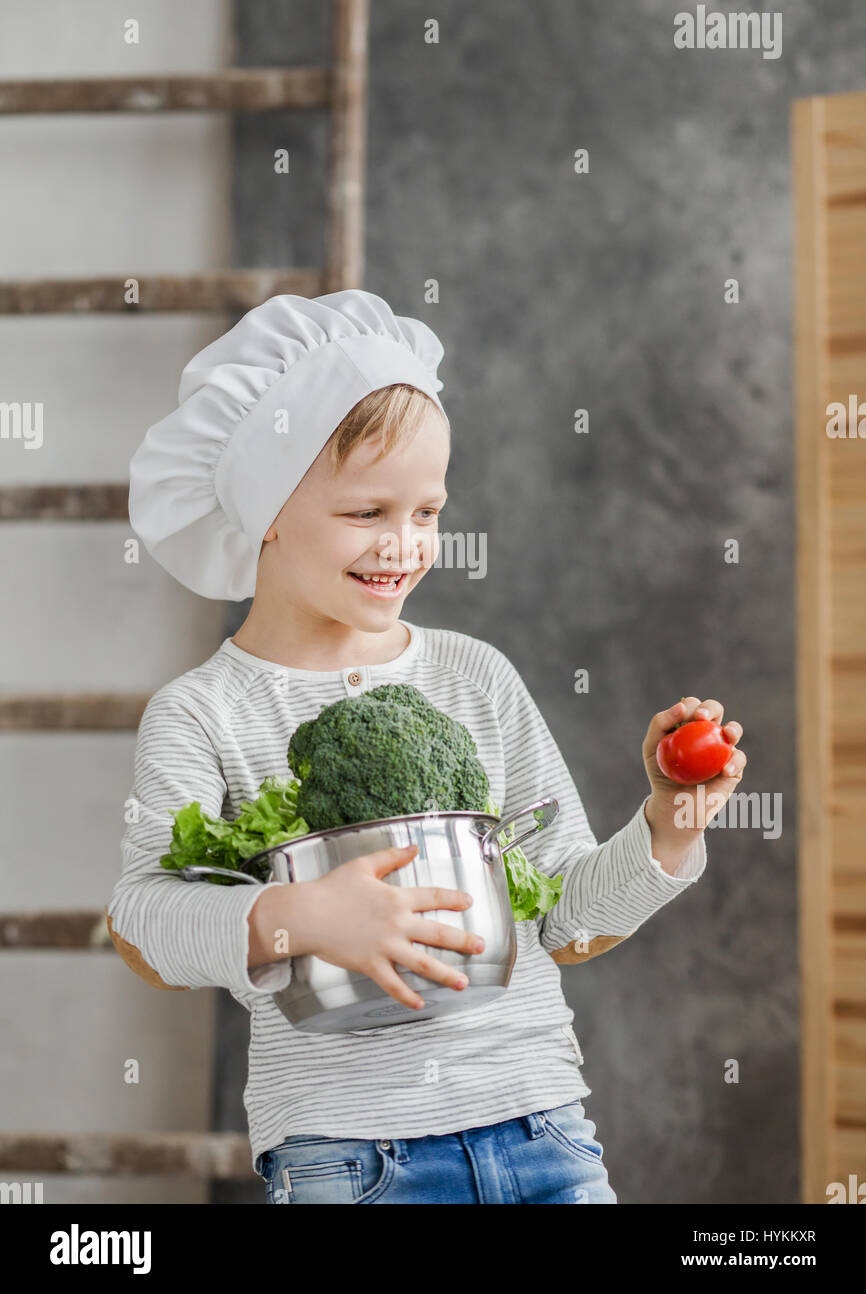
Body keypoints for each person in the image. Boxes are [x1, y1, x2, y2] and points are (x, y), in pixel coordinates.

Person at [107, 289, 746, 1204]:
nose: (403, 546)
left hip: (545, 1129)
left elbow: (562, 924)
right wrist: (295, 920)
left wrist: (668, 830)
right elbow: (141, 928)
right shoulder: (204, 712)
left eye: (428, 512)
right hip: (351, 1158)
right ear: (267, 509)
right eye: (368, 513)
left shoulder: (474, 676)